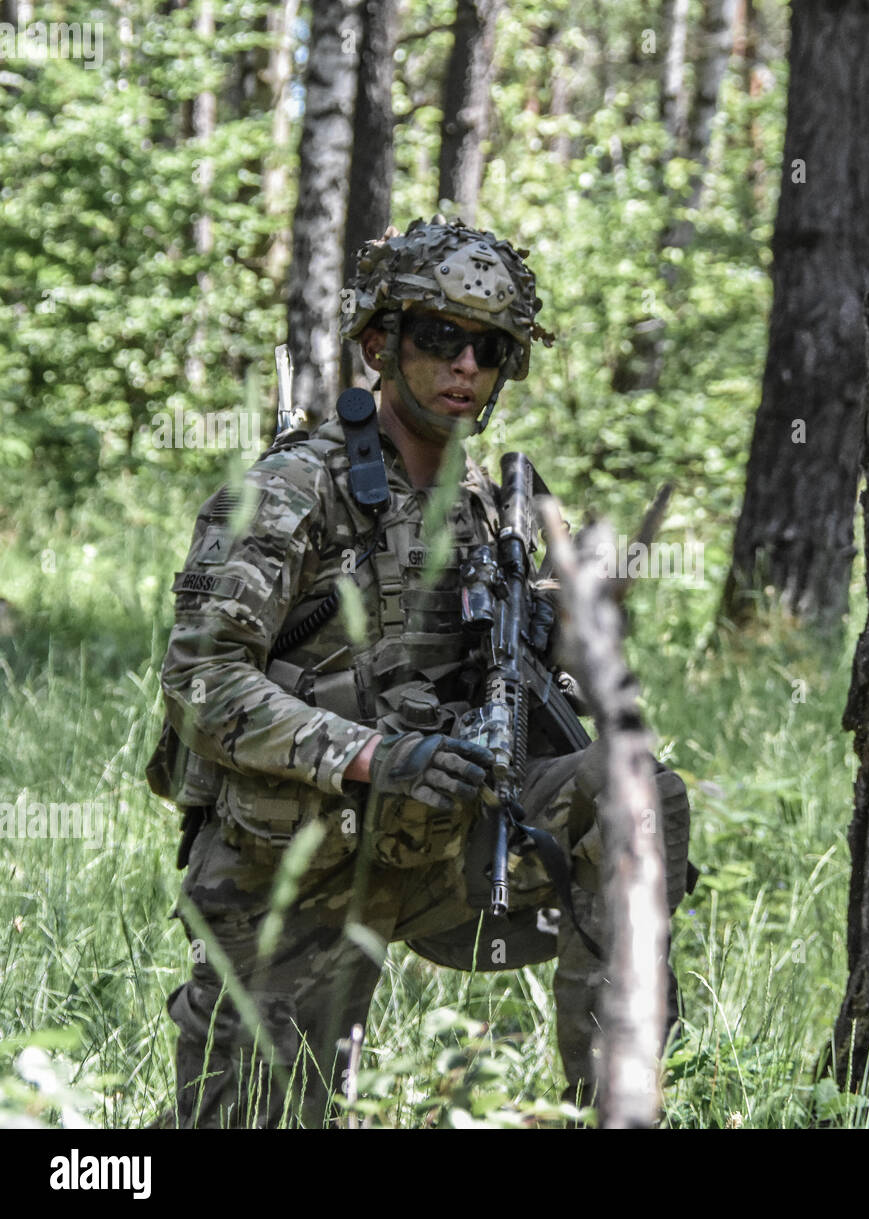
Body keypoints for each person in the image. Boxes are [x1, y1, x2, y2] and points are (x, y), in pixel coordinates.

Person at [147, 216, 694, 1128]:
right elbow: (203, 684)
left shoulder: (497, 512)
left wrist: (580, 618)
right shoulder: (293, 490)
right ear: (379, 343)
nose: (465, 366)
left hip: (447, 859)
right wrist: (370, 757)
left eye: (490, 347)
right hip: (295, 869)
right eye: (440, 337)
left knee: (635, 787)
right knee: (252, 1120)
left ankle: (617, 1102)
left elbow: (564, 673)